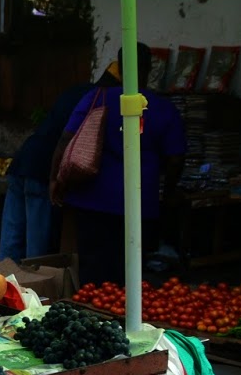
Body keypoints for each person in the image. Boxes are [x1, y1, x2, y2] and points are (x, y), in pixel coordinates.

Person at [49, 43, 185, 287]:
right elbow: (175, 158)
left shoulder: (97, 97)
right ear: (148, 68)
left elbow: (65, 141)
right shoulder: (164, 108)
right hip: (139, 203)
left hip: (91, 200)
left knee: (92, 273)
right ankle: (124, 319)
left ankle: (93, 317)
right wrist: (169, 191)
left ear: (119, 68)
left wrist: (54, 179)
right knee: (130, 274)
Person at [0, 71, 102, 261]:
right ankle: (32, 286)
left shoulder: (77, 92)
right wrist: (55, 178)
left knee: (11, 241)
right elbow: (65, 140)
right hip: (41, 171)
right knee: (36, 252)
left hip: (22, 162)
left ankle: (1, 282)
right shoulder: (100, 101)